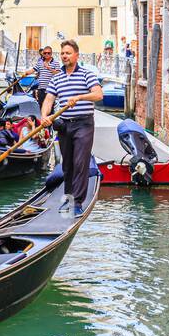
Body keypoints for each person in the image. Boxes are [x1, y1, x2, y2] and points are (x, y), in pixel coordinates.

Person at [39, 40, 103, 217]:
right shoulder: (57, 78)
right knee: (67, 164)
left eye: (68, 53)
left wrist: (80, 96)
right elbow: (49, 100)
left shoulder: (86, 75)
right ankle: (68, 197)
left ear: (76, 55)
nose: (65, 56)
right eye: (63, 53)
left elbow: (98, 94)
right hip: (64, 126)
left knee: (80, 162)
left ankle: (77, 202)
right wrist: (44, 116)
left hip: (84, 124)